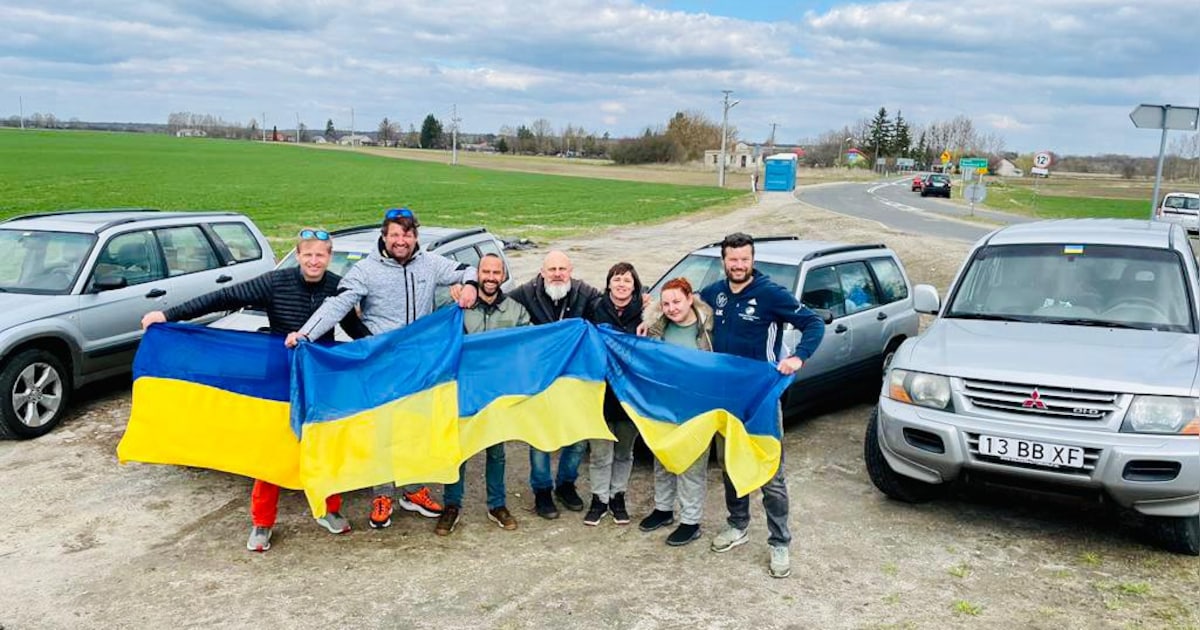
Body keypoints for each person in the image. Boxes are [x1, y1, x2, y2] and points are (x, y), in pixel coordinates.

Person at [141, 228, 370, 552]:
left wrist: (383, 349)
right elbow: (223, 297)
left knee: (324, 445)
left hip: (320, 379)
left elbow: (355, 329)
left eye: (321, 255)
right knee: (272, 451)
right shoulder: (276, 282)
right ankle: (262, 524)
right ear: (298, 254)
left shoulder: (338, 287)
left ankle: (328, 509)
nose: (314, 261)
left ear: (329, 256)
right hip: (276, 379)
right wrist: (167, 315)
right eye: (308, 254)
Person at [287, 207, 479, 530]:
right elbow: (337, 303)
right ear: (384, 236)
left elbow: (466, 269)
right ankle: (383, 493)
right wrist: (306, 333)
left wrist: (470, 286)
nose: (400, 240)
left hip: (418, 365)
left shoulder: (430, 263)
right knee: (382, 429)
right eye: (394, 234)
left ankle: (412, 489)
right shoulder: (365, 269)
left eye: (406, 234)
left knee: (414, 427)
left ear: (415, 236)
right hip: (380, 362)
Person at [699, 232, 825, 579]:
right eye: (732, 259)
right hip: (726, 398)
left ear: (752, 260)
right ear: (723, 261)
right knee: (729, 464)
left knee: (770, 472)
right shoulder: (716, 293)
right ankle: (737, 524)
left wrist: (799, 357)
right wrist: (651, 311)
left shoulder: (770, 294)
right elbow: (683, 306)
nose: (738, 265)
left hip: (762, 398)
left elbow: (813, 323)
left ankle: (779, 541)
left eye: (744, 259)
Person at [435, 253, 529, 536]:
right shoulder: (459, 303)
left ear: (503, 276)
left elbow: (528, 344)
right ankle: (452, 504)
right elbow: (433, 324)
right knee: (458, 450)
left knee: (496, 451)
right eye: (485, 272)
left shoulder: (515, 310)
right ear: (477, 274)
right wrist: (450, 295)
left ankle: (497, 504)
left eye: (496, 272)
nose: (490, 277)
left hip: (496, 393)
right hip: (462, 389)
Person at [508, 250, 600, 519]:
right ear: (542, 272)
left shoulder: (585, 293)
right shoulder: (524, 294)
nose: (557, 274)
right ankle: (542, 491)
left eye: (562, 269)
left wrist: (641, 300)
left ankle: (566, 484)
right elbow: (496, 305)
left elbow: (613, 303)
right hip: (540, 381)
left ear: (571, 270)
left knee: (578, 437)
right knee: (540, 438)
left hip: (575, 380)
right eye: (552, 270)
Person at [638, 277, 715, 546]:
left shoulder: (709, 327)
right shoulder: (656, 327)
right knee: (663, 458)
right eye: (666, 303)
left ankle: (690, 521)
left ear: (689, 298)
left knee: (692, 464)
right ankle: (663, 509)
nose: (671, 308)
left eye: (676, 301)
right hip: (664, 404)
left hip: (698, 407)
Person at [582, 262, 644, 526]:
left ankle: (618, 495)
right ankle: (599, 499)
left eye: (627, 281)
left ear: (635, 286)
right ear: (608, 283)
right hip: (600, 392)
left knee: (624, 451)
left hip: (630, 394)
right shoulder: (594, 309)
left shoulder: (645, 312)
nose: (621, 285)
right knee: (599, 452)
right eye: (617, 279)